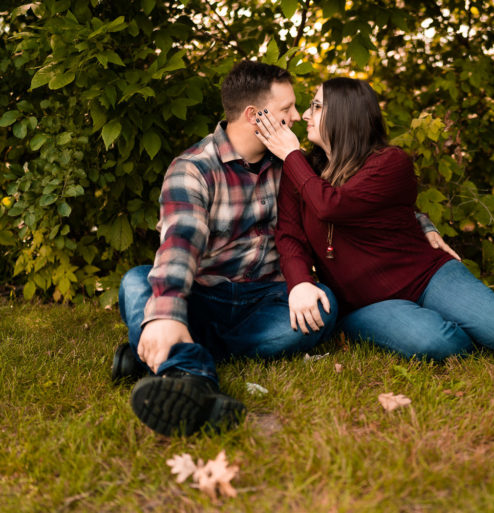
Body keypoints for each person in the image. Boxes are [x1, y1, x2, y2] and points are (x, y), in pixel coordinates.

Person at [115, 62, 454, 437]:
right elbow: (179, 246)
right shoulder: (194, 168)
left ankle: (165, 351)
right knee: (137, 283)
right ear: (253, 115)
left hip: (268, 300)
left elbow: (363, 199)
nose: (297, 116)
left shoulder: (294, 163)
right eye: (287, 108)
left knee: (323, 306)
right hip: (205, 295)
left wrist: (422, 225)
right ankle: (194, 378)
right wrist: (168, 314)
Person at [255, 78, 494, 361]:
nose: (306, 115)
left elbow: (333, 206)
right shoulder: (301, 171)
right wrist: (300, 282)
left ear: (345, 114)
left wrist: (291, 156)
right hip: (365, 305)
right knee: (440, 345)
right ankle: (479, 333)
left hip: (426, 276)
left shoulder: (390, 163)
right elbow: (289, 236)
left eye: (316, 106)